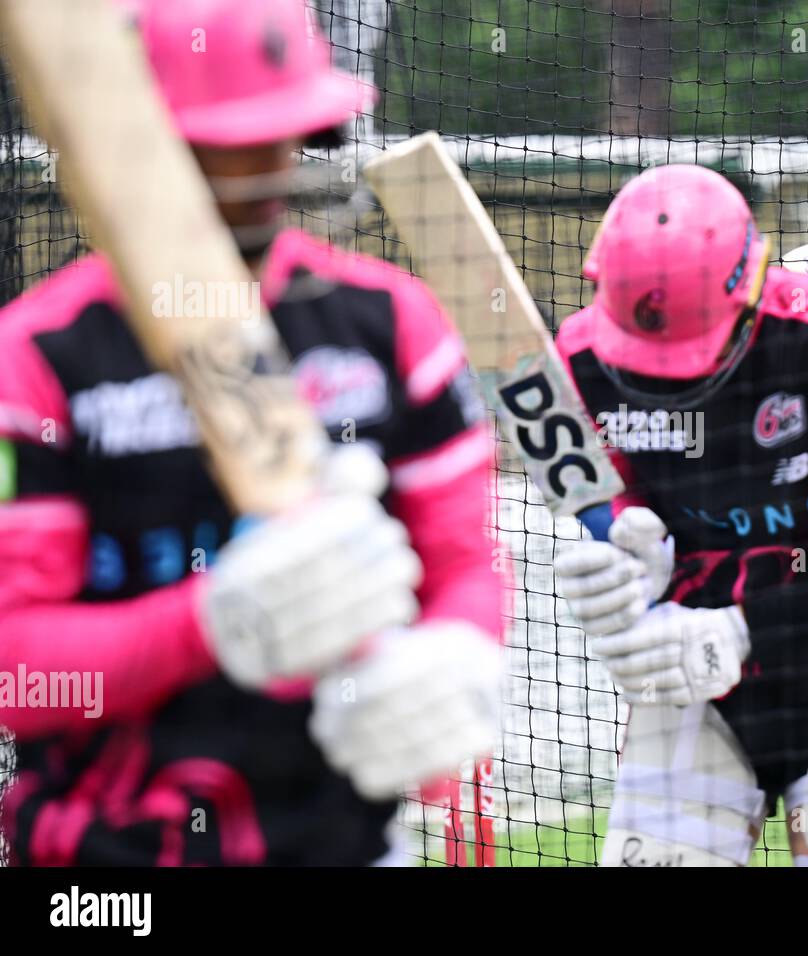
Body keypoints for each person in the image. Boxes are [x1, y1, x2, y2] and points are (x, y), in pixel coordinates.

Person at [0, 0, 503, 865]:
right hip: (102, 871)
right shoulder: (38, 356)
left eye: (283, 133)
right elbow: (18, 673)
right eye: (226, 140)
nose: (265, 165)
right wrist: (215, 625)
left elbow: (463, 564)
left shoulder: (388, 324)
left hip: (342, 842)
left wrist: (453, 660)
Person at [552, 163, 808, 866]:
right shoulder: (577, 355)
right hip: (689, 674)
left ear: (750, 282)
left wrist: (740, 630)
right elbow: (608, 493)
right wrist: (624, 547)